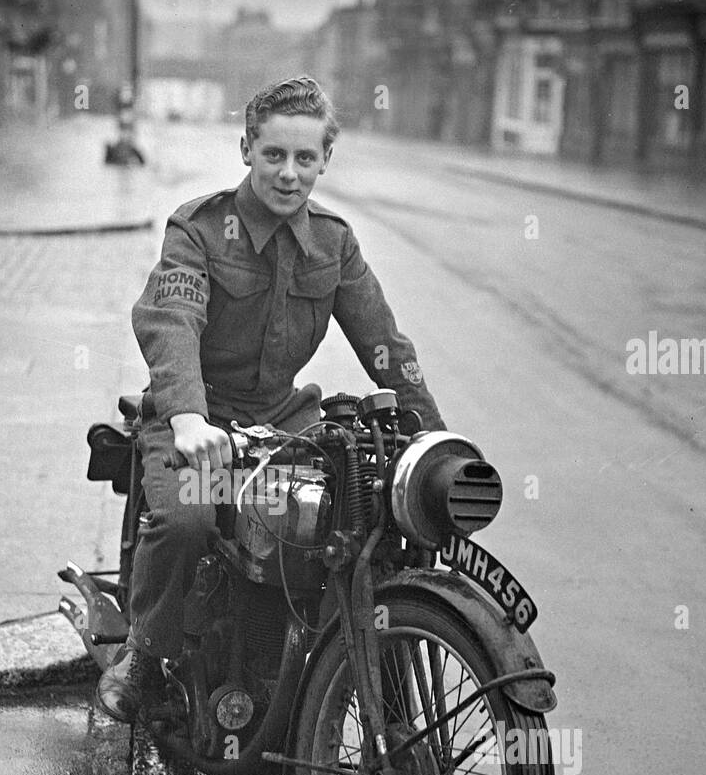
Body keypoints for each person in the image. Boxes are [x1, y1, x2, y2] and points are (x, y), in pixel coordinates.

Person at [94, 75, 447, 724]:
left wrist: (434, 442)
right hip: (195, 418)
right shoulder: (198, 230)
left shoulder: (333, 243)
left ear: (324, 161)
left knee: (363, 519)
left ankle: (314, 669)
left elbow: (385, 347)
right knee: (189, 519)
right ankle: (144, 654)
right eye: (274, 155)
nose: (289, 174)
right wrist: (188, 416)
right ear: (246, 150)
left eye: (305, 158)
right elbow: (173, 319)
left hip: (283, 422)